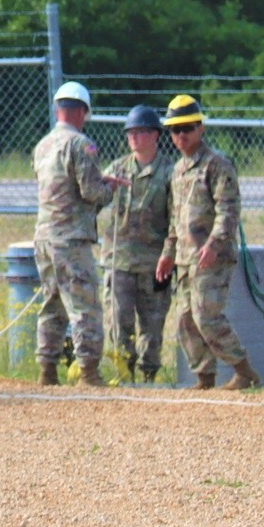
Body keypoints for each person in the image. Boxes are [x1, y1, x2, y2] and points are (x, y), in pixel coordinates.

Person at [155, 95, 259, 389]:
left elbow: (228, 210)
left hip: (213, 255)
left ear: (201, 128)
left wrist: (214, 244)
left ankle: (244, 369)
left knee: (206, 315)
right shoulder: (178, 170)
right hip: (186, 257)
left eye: (187, 127)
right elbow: (175, 218)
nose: (181, 135)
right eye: (175, 130)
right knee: (185, 320)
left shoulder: (216, 165)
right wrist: (167, 253)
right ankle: (204, 376)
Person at [30, 80, 121, 387]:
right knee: (84, 305)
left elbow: (59, 185)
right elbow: (91, 191)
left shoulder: (42, 145)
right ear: (82, 111)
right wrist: (110, 188)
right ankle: (89, 371)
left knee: (52, 303)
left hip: (44, 237)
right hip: (71, 239)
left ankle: (47, 369)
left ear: (59, 109)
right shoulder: (83, 144)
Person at [100, 104, 172, 382]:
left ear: (155, 135)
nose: (134, 137)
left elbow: (176, 217)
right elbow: (95, 197)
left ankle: (148, 377)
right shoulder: (117, 169)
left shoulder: (169, 172)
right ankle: (124, 375)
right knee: (118, 322)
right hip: (119, 260)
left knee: (153, 325)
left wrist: (169, 254)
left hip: (156, 263)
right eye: (130, 132)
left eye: (140, 132)